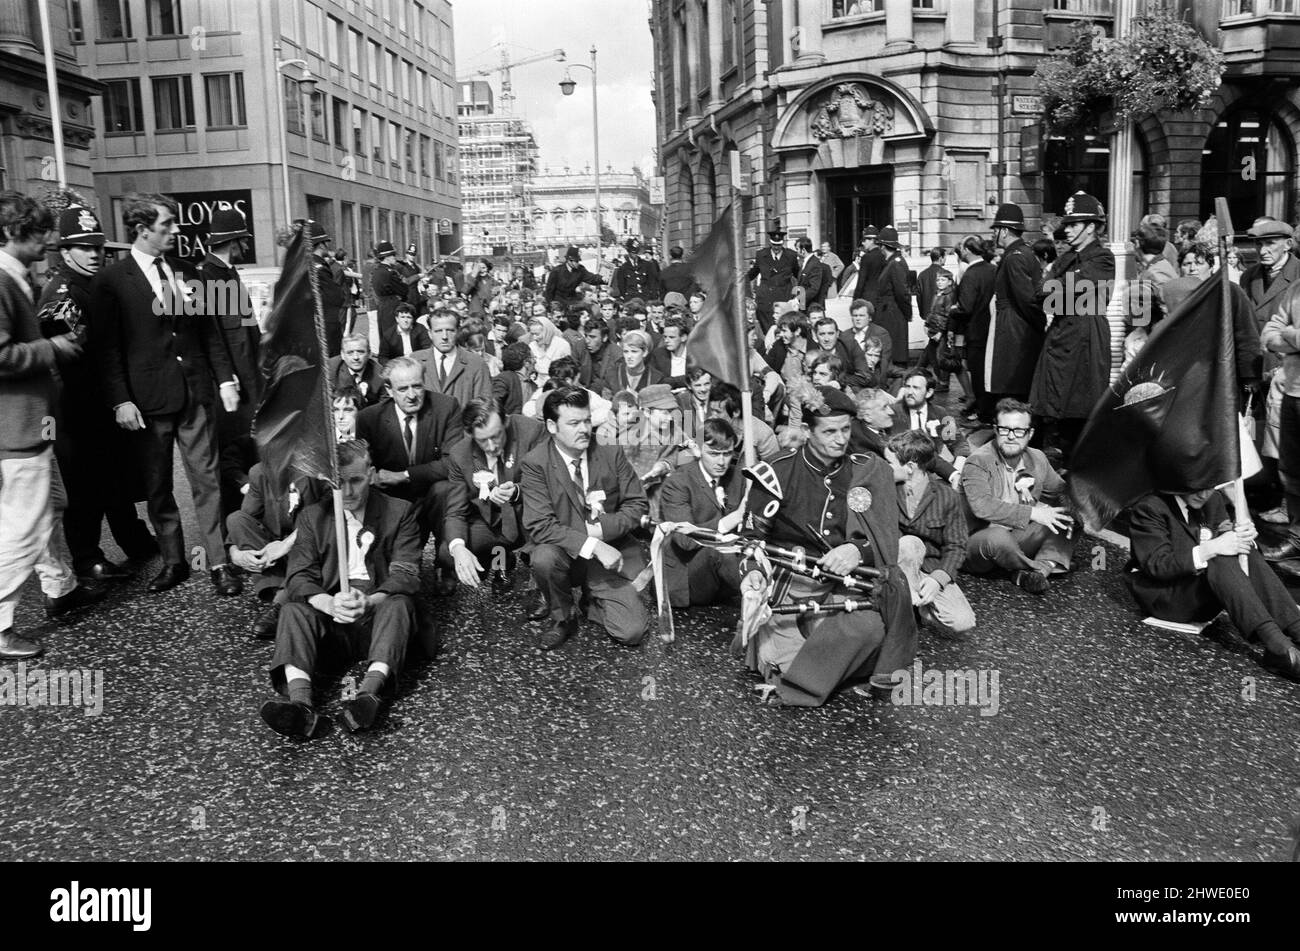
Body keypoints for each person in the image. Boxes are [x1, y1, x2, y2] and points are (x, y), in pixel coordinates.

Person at [90, 192, 243, 596]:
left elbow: (209, 331)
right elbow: (108, 350)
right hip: (147, 402)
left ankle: (220, 563)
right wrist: (121, 399)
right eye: (166, 226)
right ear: (142, 231)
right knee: (158, 486)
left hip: (195, 395)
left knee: (207, 480)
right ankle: (174, 561)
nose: (176, 231)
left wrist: (225, 379)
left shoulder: (187, 270)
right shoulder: (111, 282)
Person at [739, 385, 917, 707]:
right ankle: (813, 663)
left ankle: (820, 665)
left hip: (845, 585)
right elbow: (751, 539)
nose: (841, 439)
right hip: (790, 585)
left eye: (846, 429)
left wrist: (856, 551)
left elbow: (887, 537)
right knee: (788, 669)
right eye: (830, 431)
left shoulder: (867, 470)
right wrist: (752, 571)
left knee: (870, 630)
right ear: (807, 430)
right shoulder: (777, 472)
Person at [259, 439, 433, 738]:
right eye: (340, 483)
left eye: (356, 481)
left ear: (372, 474)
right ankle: (300, 705)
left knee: (400, 603)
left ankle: (368, 695)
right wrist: (327, 602)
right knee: (291, 611)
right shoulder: (312, 517)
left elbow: (407, 574)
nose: (348, 492)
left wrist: (371, 601)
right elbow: (299, 576)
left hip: (378, 619)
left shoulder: (400, 511)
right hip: (330, 623)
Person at [0, 191, 103, 660]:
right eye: (38, 232)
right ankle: (1, 622)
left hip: (36, 425)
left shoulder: (17, 277)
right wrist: (54, 349)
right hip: (18, 431)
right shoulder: (2, 281)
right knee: (26, 528)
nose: (48, 240)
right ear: (11, 233)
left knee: (54, 506)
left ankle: (61, 587)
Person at [36, 204, 155, 582]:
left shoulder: (97, 283)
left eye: (97, 246)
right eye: (83, 248)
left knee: (116, 476)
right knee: (83, 488)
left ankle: (133, 540)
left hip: (104, 402)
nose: (94, 254)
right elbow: (74, 358)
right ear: (65, 251)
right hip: (75, 409)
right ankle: (87, 559)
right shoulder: (61, 293)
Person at [520, 386, 650, 650]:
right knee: (543, 557)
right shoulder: (536, 463)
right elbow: (540, 525)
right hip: (565, 552)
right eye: (574, 423)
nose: (584, 430)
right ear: (552, 426)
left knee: (632, 632)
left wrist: (602, 530)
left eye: (587, 421)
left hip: (611, 551)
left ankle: (592, 600)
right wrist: (593, 544)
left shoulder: (609, 452)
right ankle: (562, 617)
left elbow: (637, 503)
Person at [1126, 488, 1300, 681]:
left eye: (1209, 486)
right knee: (1219, 554)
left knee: (1242, 549)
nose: (1203, 494)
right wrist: (1211, 549)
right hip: (1165, 596)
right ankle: (1276, 645)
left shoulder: (1213, 499)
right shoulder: (1149, 507)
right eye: (1196, 488)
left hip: (1204, 589)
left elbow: (1228, 539)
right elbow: (1158, 566)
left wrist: (1244, 537)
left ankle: (1296, 629)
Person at [1029, 192, 1115, 465]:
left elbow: (1061, 291)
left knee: (1080, 406)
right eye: (1066, 224)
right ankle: (1055, 464)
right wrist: (1061, 289)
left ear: (1091, 226)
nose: (1066, 230)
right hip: (1061, 333)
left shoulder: (1103, 258)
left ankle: (1079, 468)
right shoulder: (1067, 259)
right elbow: (1041, 294)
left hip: (1086, 336)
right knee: (1053, 405)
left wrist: (1058, 288)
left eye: (1073, 224)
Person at [961, 399, 1076, 594]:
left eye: (1019, 431)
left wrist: (1080, 494)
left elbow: (1061, 490)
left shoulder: (1037, 457)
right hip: (978, 541)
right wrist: (1033, 513)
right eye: (1005, 430)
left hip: (1015, 536)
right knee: (997, 538)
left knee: (1069, 515)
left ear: (1030, 434)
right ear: (996, 430)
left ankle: (1033, 570)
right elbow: (982, 507)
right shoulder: (978, 461)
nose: (1011, 437)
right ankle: (1041, 566)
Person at [354, 356, 463, 562]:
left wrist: (404, 475)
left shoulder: (446, 407)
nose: (412, 395)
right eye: (403, 389)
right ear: (389, 390)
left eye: (417, 387)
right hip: (392, 497)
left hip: (431, 492)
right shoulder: (369, 418)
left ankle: (446, 562)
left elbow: (453, 463)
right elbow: (364, 467)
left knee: (446, 490)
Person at [440, 400, 548, 593]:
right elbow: (455, 512)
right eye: (483, 440)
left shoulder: (532, 432)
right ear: (470, 435)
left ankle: (540, 581)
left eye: (496, 436)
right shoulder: (459, 454)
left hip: (529, 514)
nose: (491, 446)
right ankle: (502, 560)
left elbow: (550, 482)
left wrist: (516, 491)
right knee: (447, 554)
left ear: (505, 422)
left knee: (545, 558)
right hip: (491, 520)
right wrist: (458, 549)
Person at [886, 430, 976, 638]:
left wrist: (938, 579)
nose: (885, 468)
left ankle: (920, 608)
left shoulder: (946, 496)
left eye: (890, 463)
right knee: (909, 543)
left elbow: (957, 546)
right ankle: (902, 607)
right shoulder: (886, 489)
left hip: (929, 568)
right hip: (896, 565)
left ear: (910, 467)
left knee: (962, 623)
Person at [226, 461, 320, 639]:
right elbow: (247, 515)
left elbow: (324, 519)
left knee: (310, 541)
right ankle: (283, 592)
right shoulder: (259, 472)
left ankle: (281, 603)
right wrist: (235, 553)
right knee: (236, 520)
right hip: (278, 550)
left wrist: (284, 546)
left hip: (311, 547)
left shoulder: (317, 472)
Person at [658, 418, 745, 608]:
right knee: (718, 551)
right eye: (713, 454)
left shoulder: (738, 476)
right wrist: (734, 518)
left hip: (723, 578)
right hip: (687, 578)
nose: (721, 462)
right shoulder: (677, 483)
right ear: (697, 450)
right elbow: (685, 540)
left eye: (728, 453)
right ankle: (764, 599)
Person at [949, 235, 997, 422]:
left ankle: (983, 414)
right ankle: (989, 410)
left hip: (976, 332)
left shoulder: (970, 274)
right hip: (992, 329)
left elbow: (965, 308)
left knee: (977, 374)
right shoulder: (993, 269)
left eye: (962, 247)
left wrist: (954, 310)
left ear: (968, 250)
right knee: (989, 374)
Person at [889, 367, 966, 484]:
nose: (909, 392)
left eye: (916, 388)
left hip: (936, 474)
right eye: (907, 387)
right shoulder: (894, 413)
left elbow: (958, 443)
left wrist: (957, 470)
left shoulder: (941, 413)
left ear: (929, 392)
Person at [415, 306, 493, 409]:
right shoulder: (415, 361)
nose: (444, 337)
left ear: (458, 331)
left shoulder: (476, 363)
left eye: (450, 330)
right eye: (438, 331)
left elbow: (484, 406)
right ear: (430, 334)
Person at [745, 220, 799, 333]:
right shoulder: (761, 255)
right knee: (767, 329)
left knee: (783, 327)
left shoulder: (791, 256)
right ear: (770, 243)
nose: (776, 248)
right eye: (774, 245)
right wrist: (740, 280)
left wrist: (800, 297)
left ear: (782, 243)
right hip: (765, 301)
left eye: (779, 245)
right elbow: (752, 273)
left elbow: (798, 275)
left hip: (784, 298)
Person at [872, 227, 912, 368]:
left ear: (883, 246)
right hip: (890, 313)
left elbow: (902, 293)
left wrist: (908, 313)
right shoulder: (892, 262)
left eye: (880, 245)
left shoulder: (896, 264)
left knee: (895, 357)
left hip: (893, 315)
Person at [308, 220, 347, 355]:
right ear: (321, 244)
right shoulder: (319, 267)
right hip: (326, 326)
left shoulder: (305, 264)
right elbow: (337, 297)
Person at [810, 315, 872, 389]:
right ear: (816, 335)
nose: (826, 339)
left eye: (830, 333)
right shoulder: (811, 353)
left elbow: (865, 377)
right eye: (822, 334)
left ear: (837, 334)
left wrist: (839, 382)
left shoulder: (850, 346)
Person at [600, 328, 664, 397]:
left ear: (645, 352)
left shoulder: (656, 378)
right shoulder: (612, 374)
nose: (629, 356)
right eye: (626, 351)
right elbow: (606, 403)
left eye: (634, 351)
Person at [328, 333, 384, 407]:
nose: (356, 357)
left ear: (369, 354)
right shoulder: (330, 370)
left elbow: (385, 407)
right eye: (350, 353)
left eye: (360, 352)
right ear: (342, 355)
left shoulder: (380, 374)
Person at [842, 298, 893, 377]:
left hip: (874, 377)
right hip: (851, 378)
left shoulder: (881, 333)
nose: (858, 319)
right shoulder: (844, 336)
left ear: (870, 318)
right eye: (855, 315)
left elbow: (884, 362)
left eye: (861, 315)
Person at [371, 241, 406, 338]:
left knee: (384, 334)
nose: (395, 258)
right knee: (394, 335)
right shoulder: (390, 273)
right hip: (393, 305)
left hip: (382, 306)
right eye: (393, 255)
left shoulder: (376, 271)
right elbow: (403, 290)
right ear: (387, 257)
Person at [647, 314, 691, 388]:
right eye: (665, 337)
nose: (666, 341)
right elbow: (656, 381)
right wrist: (685, 379)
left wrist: (669, 381)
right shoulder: (658, 354)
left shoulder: (695, 355)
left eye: (671, 337)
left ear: (683, 337)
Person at [914, 248, 952, 327]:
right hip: (942, 316)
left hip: (928, 316)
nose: (945, 260)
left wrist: (922, 313)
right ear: (941, 258)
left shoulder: (922, 275)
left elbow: (919, 296)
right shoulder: (945, 275)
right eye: (945, 258)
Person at [851, 226, 887, 306]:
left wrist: (855, 300)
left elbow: (861, 281)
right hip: (882, 298)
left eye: (865, 240)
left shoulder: (866, 257)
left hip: (868, 298)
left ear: (872, 240)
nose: (863, 243)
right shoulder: (884, 256)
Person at [493, 341, 530, 418]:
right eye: (534, 358)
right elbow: (493, 403)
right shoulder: (505, 378)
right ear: (526, 362)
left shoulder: (532, 384)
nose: (536, 361)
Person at [794, 236, 833, 309]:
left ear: (803, 250)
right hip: (804, 305)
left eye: (797, 249)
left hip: (812, 307)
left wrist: (797, 300)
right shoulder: (806, 262)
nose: (796, 252)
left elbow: (813, 288)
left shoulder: (814, 264)